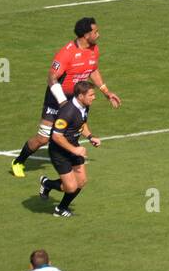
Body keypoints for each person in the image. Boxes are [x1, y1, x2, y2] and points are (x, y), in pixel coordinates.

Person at [11, 18, 121, 177]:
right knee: (43, 138)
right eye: (95, 32)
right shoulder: (66, 53)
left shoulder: (94, 49)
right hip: (56, 99)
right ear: (85, 34)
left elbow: (93, 70)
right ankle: (18, 161)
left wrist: (106, 91)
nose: (99, 34)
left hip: (76, 99)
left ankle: (68, 164)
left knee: (74, 130)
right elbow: (51, 77)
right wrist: (62, 100)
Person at [38, 80, 101, 217]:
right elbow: (56, 136)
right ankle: (47, 183)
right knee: (70, 187)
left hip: (73, 147)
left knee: (81, 181)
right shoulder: (67, 112)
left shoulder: (84, 106)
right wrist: (75, 150)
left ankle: (61, 208)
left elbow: (82, 123)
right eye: (91, 95)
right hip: (59, 152)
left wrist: (90, 137)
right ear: (80, 96)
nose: (94, 97)